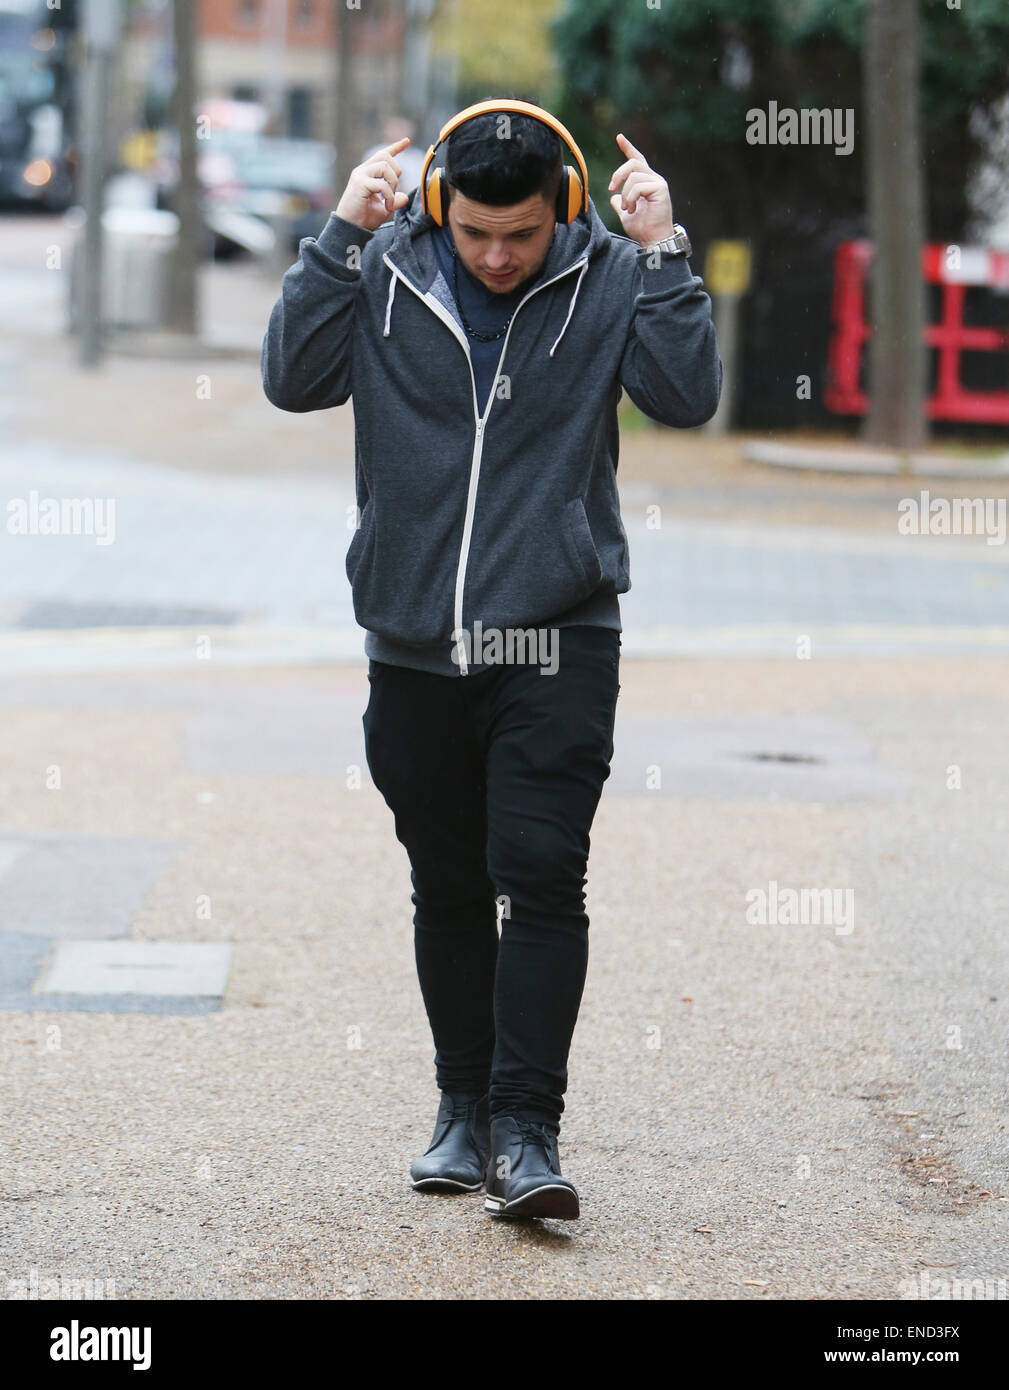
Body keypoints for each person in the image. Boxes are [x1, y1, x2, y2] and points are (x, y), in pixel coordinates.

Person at [261, 98, 722, 1221]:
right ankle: (460, 1112)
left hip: (558, 636)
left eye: (520, 233)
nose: (498, 255)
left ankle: (526, 1131)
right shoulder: (385, 267)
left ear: (560, 207)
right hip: (414, 644)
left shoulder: (609, 273)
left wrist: (664, 251)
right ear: (438, 207)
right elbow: (290, 375)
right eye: (475, 232)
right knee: (450, 881)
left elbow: (686, 395)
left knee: (542, 875)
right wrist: (339, 234)